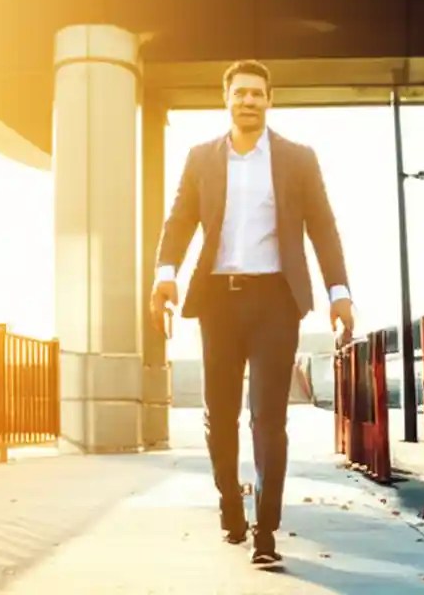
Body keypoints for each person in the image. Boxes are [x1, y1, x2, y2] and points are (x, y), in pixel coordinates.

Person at [149, 59, 355, 565]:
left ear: (269, 100)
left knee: (268, 417)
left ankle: (265, 529)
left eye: (257, 93)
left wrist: (339, 292)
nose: (248, 100)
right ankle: (230, 505)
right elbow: (179, 221)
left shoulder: (297, 159)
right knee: (220, 415)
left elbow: (323, 227)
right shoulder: (201, 158)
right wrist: (164, 275)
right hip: (218, 300)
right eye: (240, 92)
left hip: (276, 302)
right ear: (227, 99)